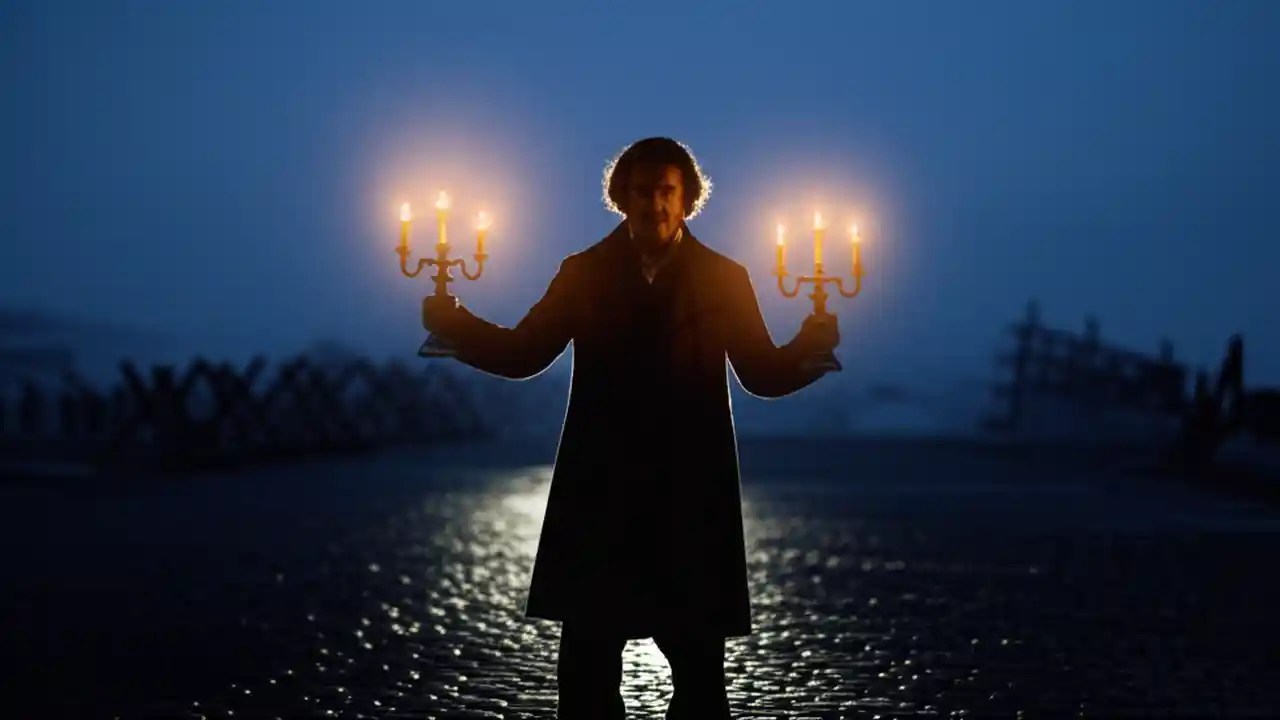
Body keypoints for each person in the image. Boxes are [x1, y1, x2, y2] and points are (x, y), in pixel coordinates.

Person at [422, 136, 840, 719]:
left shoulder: (724, 277)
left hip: (689, 489)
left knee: (699, 670)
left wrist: (809, 348)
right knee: (588, 670)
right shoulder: (583, 272)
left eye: (667, 192)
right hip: (602, 486)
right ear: (621, 198)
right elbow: (524, 354)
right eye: (642, 192)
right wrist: (457, 325)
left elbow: (761, 374)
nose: (654, 205)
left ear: (687, 199)